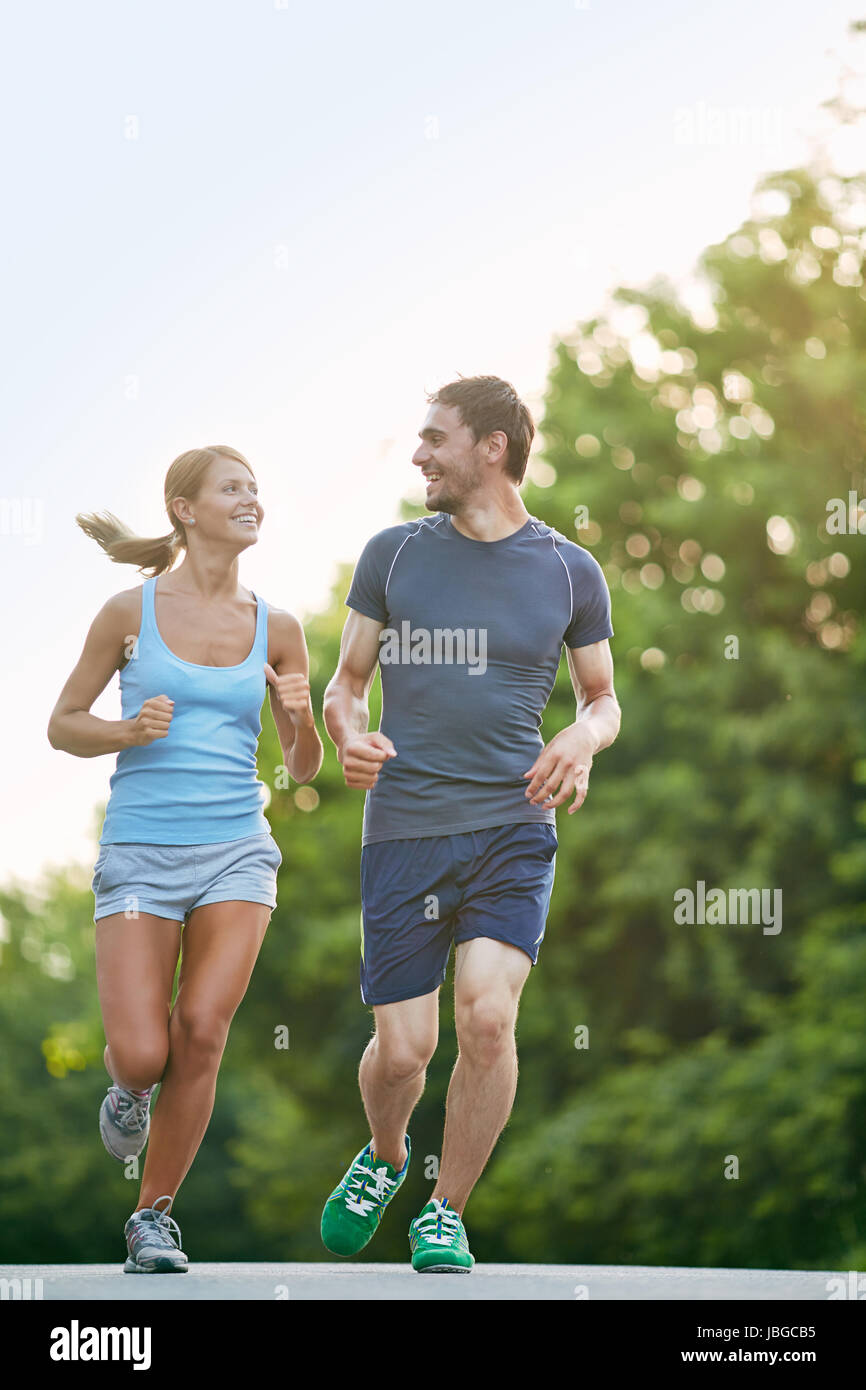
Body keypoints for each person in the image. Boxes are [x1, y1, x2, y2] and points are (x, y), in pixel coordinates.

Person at [320, 375, 620, 1272]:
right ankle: (383, 1155)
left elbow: (604, 700)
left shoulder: (570, 569)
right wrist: (348, 733)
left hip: (512, 826)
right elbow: (345, 684)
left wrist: (581, 735)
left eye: (434, 438)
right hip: (406, 827)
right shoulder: (395, 555)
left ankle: (445, 1210)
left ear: (492, 446)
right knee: (405, 1050)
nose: (418, 455)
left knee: (488, 1018)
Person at [47, 445, 322, 1272]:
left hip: (238, 849)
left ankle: (153, 1217)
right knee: (144, 1053)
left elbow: (305, 767)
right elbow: (62, 724)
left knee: (201, 1032)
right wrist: (126, 732)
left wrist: (299, 719)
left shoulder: (278, 627)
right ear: (185, 509)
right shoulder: (127, 615)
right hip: (139, 851)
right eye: (232, 488)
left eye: (256, 489)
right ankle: (127, 1088)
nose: (251, 499)